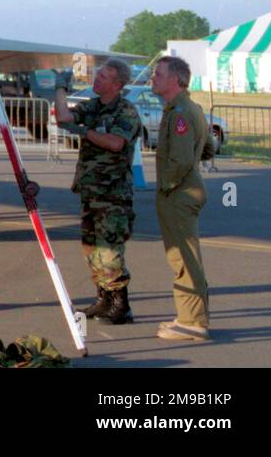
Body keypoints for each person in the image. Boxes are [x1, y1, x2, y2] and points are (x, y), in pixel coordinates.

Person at [53, 59, 141, 325]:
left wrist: (86, 132)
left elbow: (116, 143)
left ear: (117, 84)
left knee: (110, 249)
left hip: (113, 193)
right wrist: (60, 89)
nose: (97, 78)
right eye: (98, 74)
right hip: (91, 190)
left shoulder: (125, 111)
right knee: (91, 248)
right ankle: (103, 298)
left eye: (103, 76)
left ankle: (121, 304)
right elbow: (64, 118)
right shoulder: (92, 106)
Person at [150, 55, 212, 341]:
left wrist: (166, 185)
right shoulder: (190, 107)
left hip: (179, 191)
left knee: (183, 257)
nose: (153, 78)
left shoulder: (180, 113)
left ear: (174, 78)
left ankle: (192, 322)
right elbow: (209, 148)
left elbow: (181, 159)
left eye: (158, 74)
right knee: (184, 256)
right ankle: (188, 316)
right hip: (187, 187)